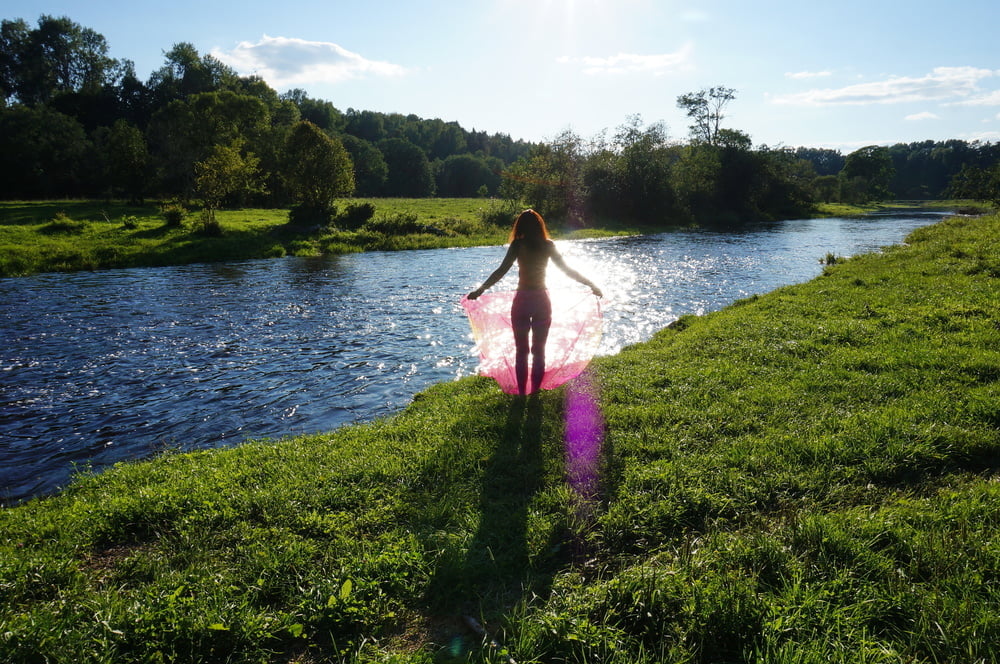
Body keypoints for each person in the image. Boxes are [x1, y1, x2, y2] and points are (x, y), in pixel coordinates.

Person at [467, 209, 603, 395]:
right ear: (540, 226)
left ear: (520, 227)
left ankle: (523, 392)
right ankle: (536, 393)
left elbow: (501, 271)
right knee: (539, 350)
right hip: (541, 301)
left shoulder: (517, 245)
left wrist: (481, 289)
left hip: (522, 301)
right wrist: (590, 284)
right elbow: (567, 270)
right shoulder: (548, 245)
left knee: (521, 351)